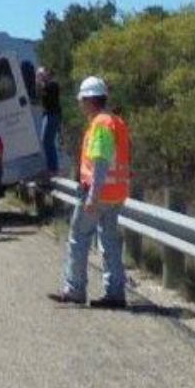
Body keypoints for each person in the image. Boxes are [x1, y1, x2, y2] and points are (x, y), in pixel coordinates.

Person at [48, 76, 131, 309]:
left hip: (99, 193)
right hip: (116, 194)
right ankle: (115, 293)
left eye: (82, 101)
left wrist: (93, 197)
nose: (80, 105)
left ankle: (75, 289)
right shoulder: (116, 122)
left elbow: (101, 162)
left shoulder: (100, 124)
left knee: (79, 238)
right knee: (110, 242)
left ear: (88, 100)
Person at [38, 67, 62, 174]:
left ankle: (53, 168)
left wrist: (40, 81)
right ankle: (52, 167)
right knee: (47, 141)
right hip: (49, 115)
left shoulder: (52, 85)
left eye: (43, 74)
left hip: (52, 115)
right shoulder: (48, 85)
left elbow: (43, 93)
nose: (42, 77)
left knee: (47, 141)